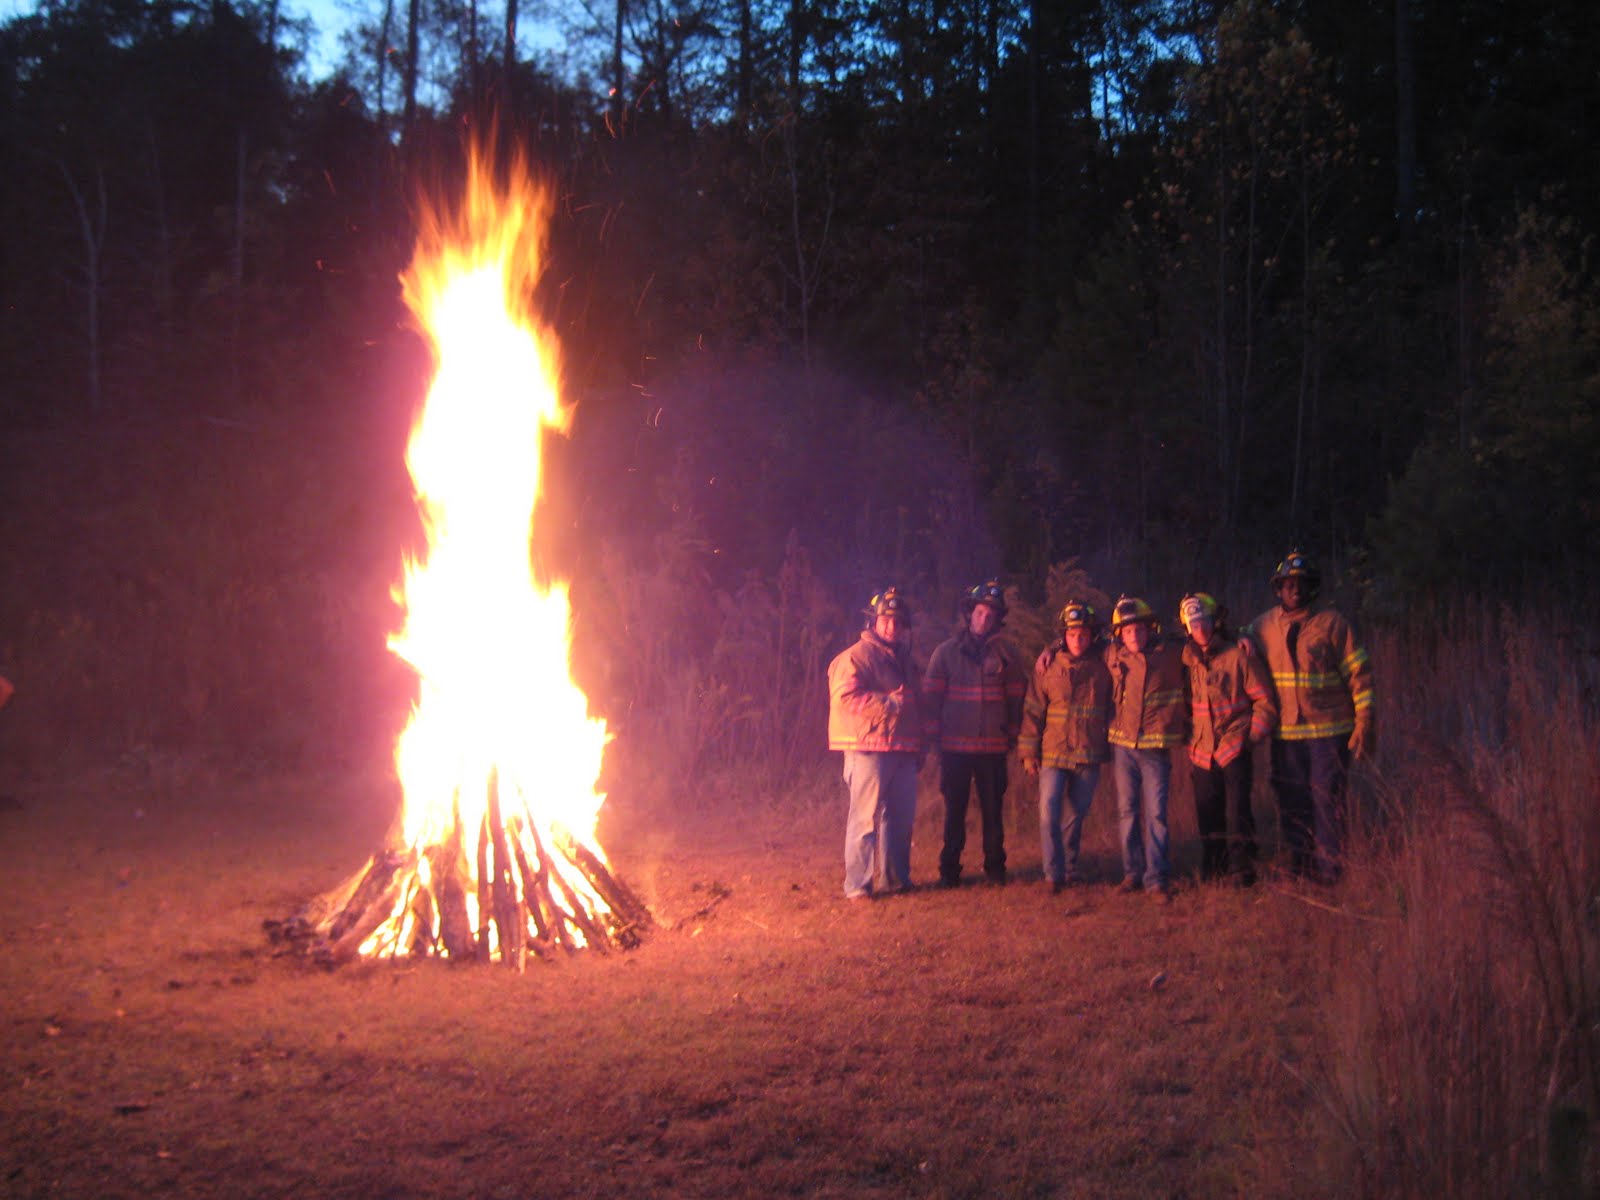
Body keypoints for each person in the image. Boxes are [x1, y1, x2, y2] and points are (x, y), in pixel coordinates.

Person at [1246, 550, 1375, 884]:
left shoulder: (1333, 624)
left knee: (1327, 800)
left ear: (1313, 587)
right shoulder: (1263, 626)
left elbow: (1359, 674)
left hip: (1329, 731)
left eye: (1302, 585)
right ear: (1278, 589)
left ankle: (1330, 870)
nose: (1295, 591)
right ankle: (1300, 866)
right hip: (1286, 733)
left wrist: (1365, 720)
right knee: (1291, 801)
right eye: (1288, 585)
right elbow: (1238, 650)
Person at [922, 579, 1027, 886]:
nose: (984, 620)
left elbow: (1017, 697)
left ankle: (995, 869)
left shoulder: (1008, 655)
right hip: (954, 750)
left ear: (997, 620)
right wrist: (933, 742)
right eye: (980, 613)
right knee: (954, 813)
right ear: (970, 614)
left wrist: (1012, 736)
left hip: (993, 749)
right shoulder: (945, 654)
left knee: (993, 813)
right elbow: (931, 701)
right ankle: (949, 871)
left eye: (991, 615)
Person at [826, 586, 926, 899]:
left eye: (897, 622)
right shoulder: (856, 657)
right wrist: (888, 703)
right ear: (873, 622)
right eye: (886, 620)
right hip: (868, 750)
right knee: (864, 820)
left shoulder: (906, 661)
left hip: (902, 750)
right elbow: (845, 699)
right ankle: (857, 887)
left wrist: (918, 745)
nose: (892, 627)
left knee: (899, 821)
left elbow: (916, 705)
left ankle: (896, 881)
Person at [1178, 593, 1276, 885]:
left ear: (1215, 621)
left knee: (1237, 812)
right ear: (1187, 628)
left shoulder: (1238, 656)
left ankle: (1241, 869)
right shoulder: (1185, 660)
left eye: (1205, 622)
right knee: (1207, 813)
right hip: (1201, 751)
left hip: (1234, 747)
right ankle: (1214, 868)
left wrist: (1250, 739)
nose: (1201, 630)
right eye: (1194, 625)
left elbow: (1265, 702)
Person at [1019, 601, 1113, 893]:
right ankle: (1053, 874)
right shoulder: (1048, 667)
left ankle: (1070, 867)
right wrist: (1028, 753)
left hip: (1088, 752)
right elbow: (1033, 710)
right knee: (1048, 811)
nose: (1078, 640)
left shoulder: (1103, 665)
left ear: (1092, 635)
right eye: (1071, 635)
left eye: (1083, 634)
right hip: (1053, 752)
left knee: (1076, 813)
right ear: (1064, 636)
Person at [1105, 595, 1188, 901]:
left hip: (1154, 747)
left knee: (1156, 814)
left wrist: (1237, 639)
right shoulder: (1112, 654)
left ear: (1150, 629)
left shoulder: (1172, 653)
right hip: (1122, 747)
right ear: (1119, 635)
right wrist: (1050, 649)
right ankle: (1132, 872)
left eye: (1139, 630)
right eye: (1127, 632)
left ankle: (1157, 879)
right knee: (1127, 811)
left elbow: (1205, 640)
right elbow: (1076, 647)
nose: (1134, 636)